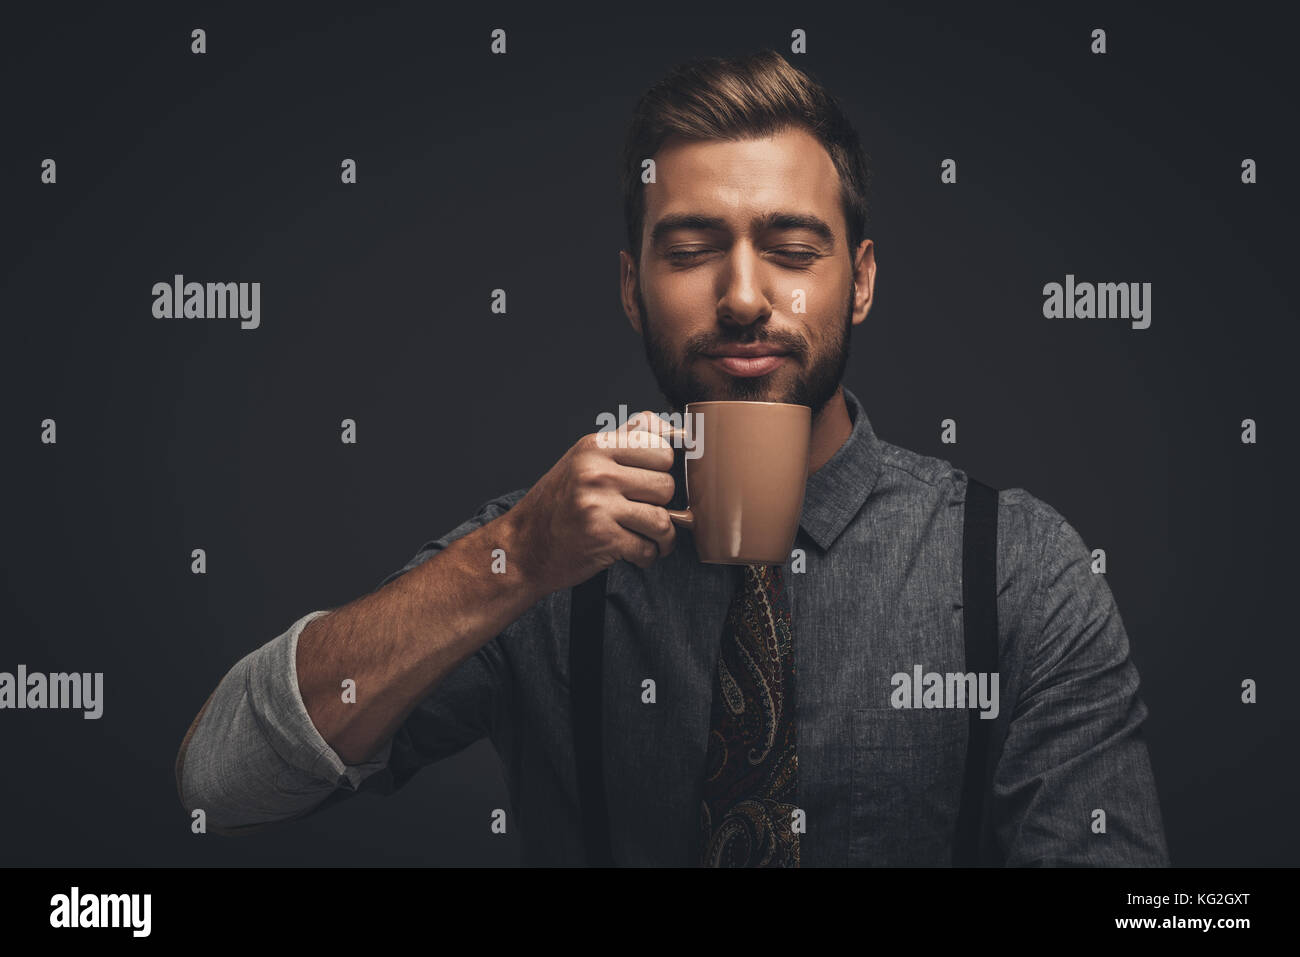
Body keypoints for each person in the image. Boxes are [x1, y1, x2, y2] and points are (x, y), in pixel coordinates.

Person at [175, 49, 1170, 867]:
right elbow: (221, 783)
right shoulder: (541, 552)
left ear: (859, 282)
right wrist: (515, 559)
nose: (742, 296)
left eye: (791, 248)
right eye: (691, 248)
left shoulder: (1016, 568)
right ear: (631, 287)